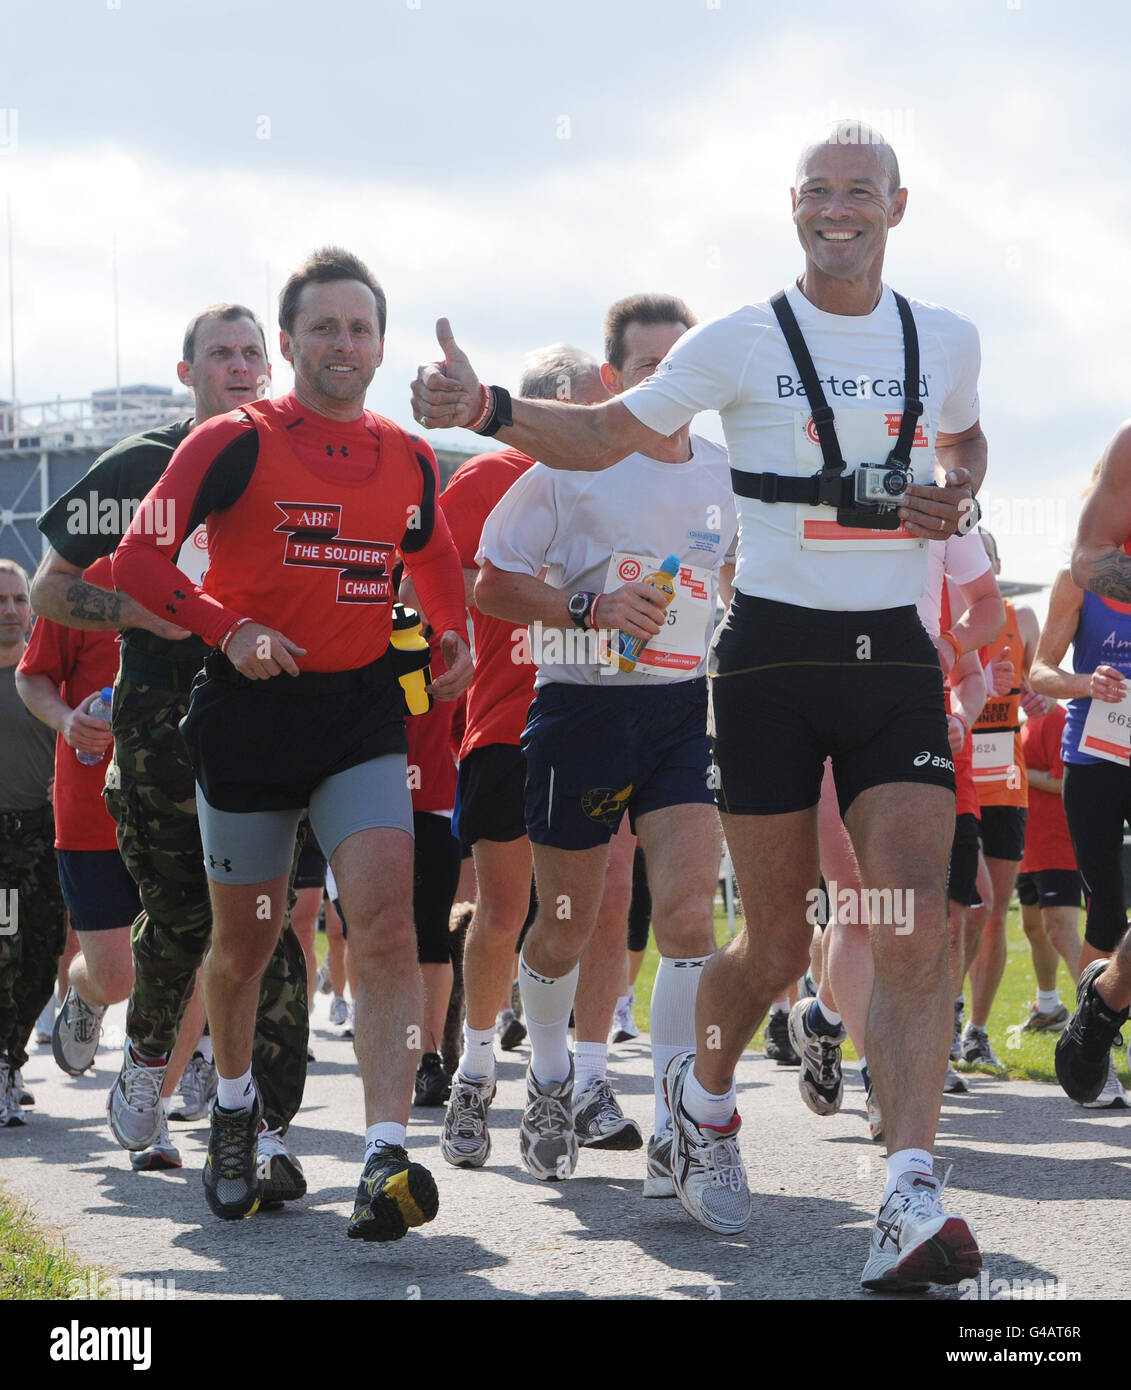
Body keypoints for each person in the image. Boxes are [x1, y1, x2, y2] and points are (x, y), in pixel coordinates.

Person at [411, 122, 986, 1291]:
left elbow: (967, 445)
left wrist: (956, 492)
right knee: (771, 941)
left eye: (861, 190)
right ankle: (700, 1100)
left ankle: (911, 1192)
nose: (841, 208)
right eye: (820, 190)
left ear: (899, 204)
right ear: (793, 206)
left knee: (910, 912)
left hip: (895, 664)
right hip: (767, 661)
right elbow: (607, 432)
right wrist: (491, 405)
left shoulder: (949, 337)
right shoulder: (739, 340)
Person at [112, 247, 472, 1238]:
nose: (343, 345)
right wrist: (228, 625)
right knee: (248, 940)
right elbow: (139, 557)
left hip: (358, 711)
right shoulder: (234, 440)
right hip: (245, 709)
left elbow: (429, 546)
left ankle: (385, 1155)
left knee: (390, 922)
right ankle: (234, 1106)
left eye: (360, 328)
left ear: (381, 344)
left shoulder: (407, 453)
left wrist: (452, 629)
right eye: (324, 327)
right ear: (289, 343)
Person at [32, 303, 308, 1185]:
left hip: (263, 713)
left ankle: (264, 1131)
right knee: (184, 921)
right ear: (186, 370)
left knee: (271, 925)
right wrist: (140, 610)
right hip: (156, 721)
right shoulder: (138, 465)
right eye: (219, 353)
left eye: (251, 354)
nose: (238, 365)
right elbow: (48, 591)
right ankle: (148, 1059)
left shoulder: (290, 453)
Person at [473, 292, 736, 1193]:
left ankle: (677, 1123)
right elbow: (491, 583)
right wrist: (586, 606)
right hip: (578, 711)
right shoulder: (567, 466)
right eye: (648, 367)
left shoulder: (722, 475)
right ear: (613, 379)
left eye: (681, 365)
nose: (668, 381)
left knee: (689, 917)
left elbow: (732, 576)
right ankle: (548, 1078)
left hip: (675, 715)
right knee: (564, 926)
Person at [436, 344, 636, 1168]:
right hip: (504, 719)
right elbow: (428, 573)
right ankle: (477, 1069)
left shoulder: (627, 479)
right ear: (554, 399)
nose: (606, 419)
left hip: (601, 716)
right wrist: (443, 648)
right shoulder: (483, 483)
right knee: (506, 907)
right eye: (594, 400)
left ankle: (580, 1079)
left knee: (602, 904)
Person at [14, 557, 149, 1128]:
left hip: (179, 807)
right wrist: (67, 719)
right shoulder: (83, 583)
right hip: (89, 809)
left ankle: (151, 1102)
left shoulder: (209, 567)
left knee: (179, 958)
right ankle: (86, 991)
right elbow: (32, 674)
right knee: (117, 975)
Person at [1047, 419, 1131, 1102]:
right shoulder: (1082, 575)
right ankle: (1098, 1014)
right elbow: (1037, 671)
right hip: (1096, 751)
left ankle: (1101, 1007)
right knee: (1105, 901)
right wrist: (1084, 682)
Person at [959, 530, 1039, 1070]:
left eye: (984, 557)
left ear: (995, 564)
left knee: (993, 915)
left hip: (1005, 779)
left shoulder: (1022, 619)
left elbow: (1037, 691)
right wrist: (983, 680)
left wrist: (1034, 693)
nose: (975, 566)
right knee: (961, 905)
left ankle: (976, 1030)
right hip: (957, 771)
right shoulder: (948, 619)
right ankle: (945, 1010)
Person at [0, 560, 66, 1126]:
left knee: (44, 957)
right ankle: (1, 1064)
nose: (11, 611)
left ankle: (11, 1056)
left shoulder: (44, 675)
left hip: (47, 836)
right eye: (0, 601)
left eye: (19, 600)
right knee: (4, 951)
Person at [1014, 697, 1083, 1035]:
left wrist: (1016, 770)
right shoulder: (1027, 722)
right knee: (1033, 929)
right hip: (1030, 847)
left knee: (1061, 932)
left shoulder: (1058, 718)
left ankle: (1100, 1012)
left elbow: (1064, 781)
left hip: (1059, 844)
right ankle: (1049, 1008)